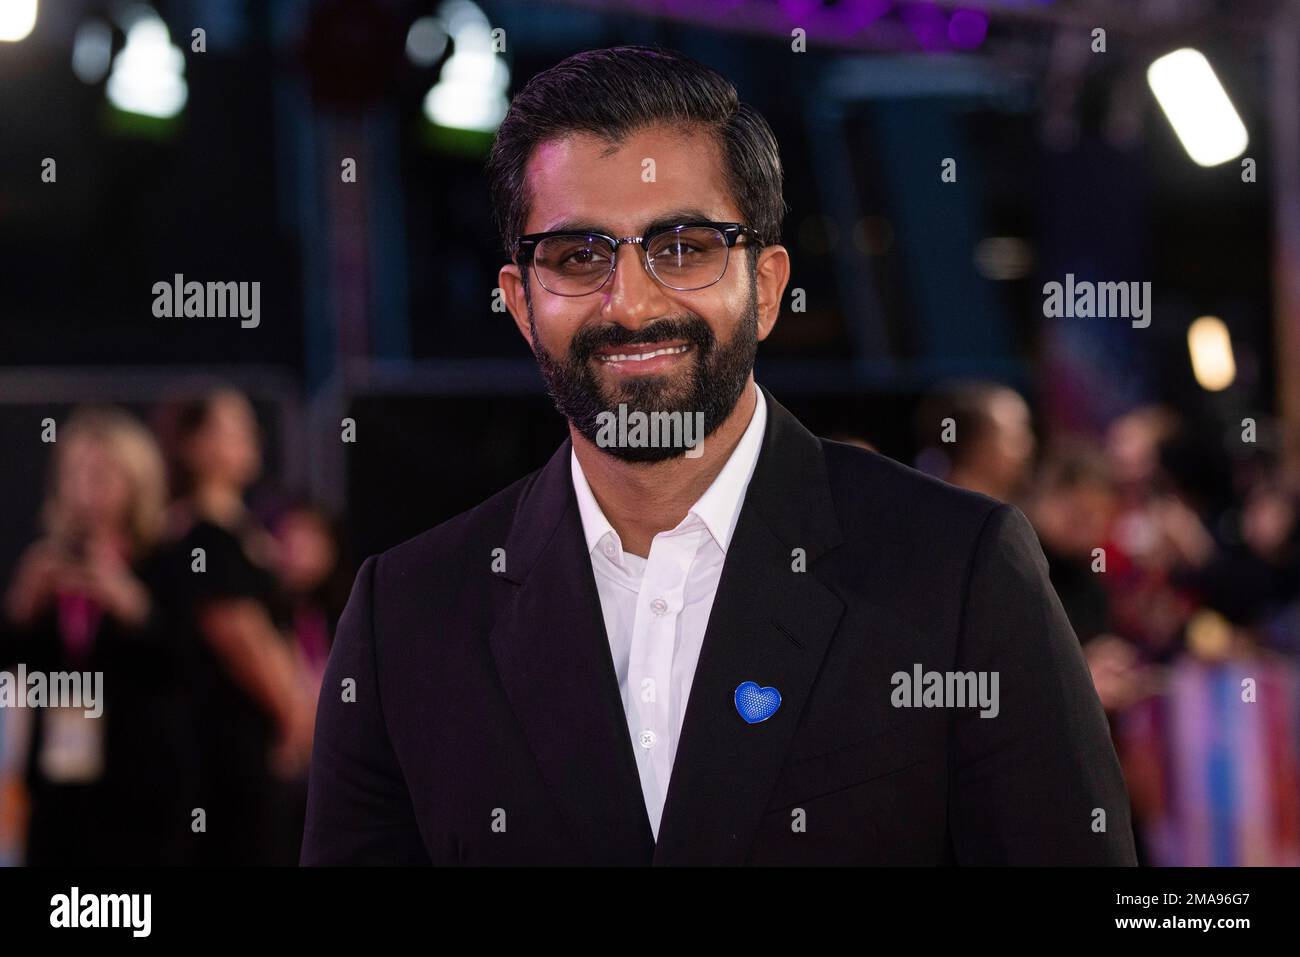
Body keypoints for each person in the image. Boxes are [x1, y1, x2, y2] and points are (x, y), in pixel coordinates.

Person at [302, 46, 1135, 865]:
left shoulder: (957, 572)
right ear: (521, 303)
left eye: (684, 248)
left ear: (766, 287)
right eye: (578, 256)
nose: (629, 303)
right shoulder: (408, 616)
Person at [0, 406, 193, 865]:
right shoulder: (44, 564)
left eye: (102, 474)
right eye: (76, 473)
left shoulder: (164, 562)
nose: (87, 488)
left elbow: (185, 665)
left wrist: (131, 602)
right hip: (58, 780)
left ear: (135, 482)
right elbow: (12, 668)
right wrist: (20, 609)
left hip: (142, 779)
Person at [156, 389, 316, 865]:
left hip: (264, 746)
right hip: (229, 751)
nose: (252, 438)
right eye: (233, 428)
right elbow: (240, 637)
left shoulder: (247, 530)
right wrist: (295, 714)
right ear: (194, 446)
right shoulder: (201, 535)